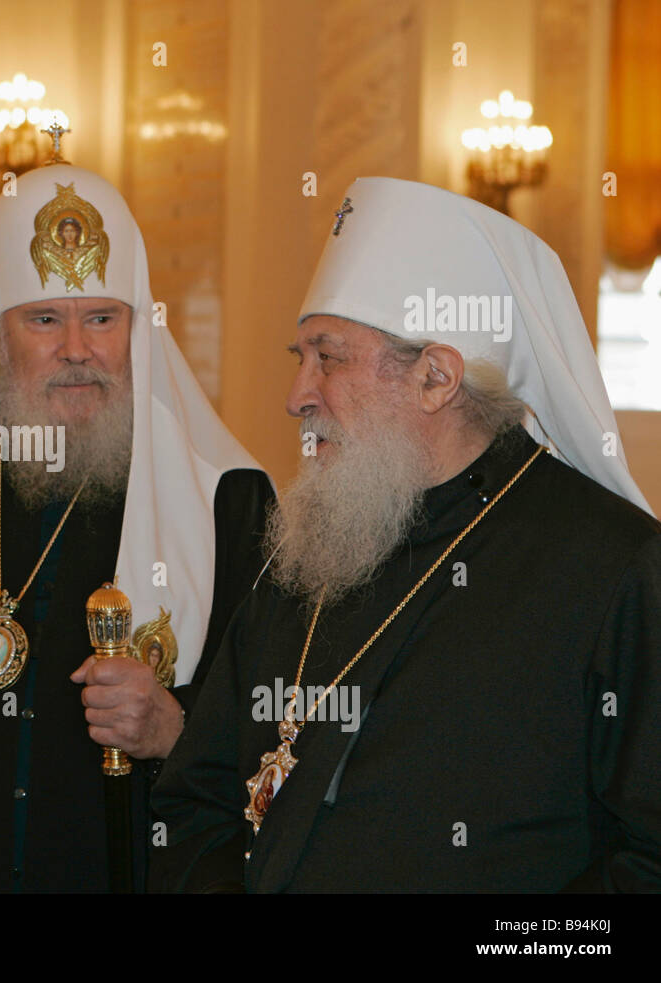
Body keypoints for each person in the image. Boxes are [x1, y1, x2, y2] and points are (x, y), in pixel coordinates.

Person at [152, 177, 661, 892]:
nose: (295, 395)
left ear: (435, 377)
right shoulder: (309, 545)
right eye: (299, 357)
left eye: (327, 357)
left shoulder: (612, 567)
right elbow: (194, 800)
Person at [0, 162, 274, 892]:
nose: (76, 349)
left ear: (138, 329)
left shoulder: (226, 498)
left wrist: (171, 723)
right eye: (44, 320)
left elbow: (269, 730)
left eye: (101, 317)